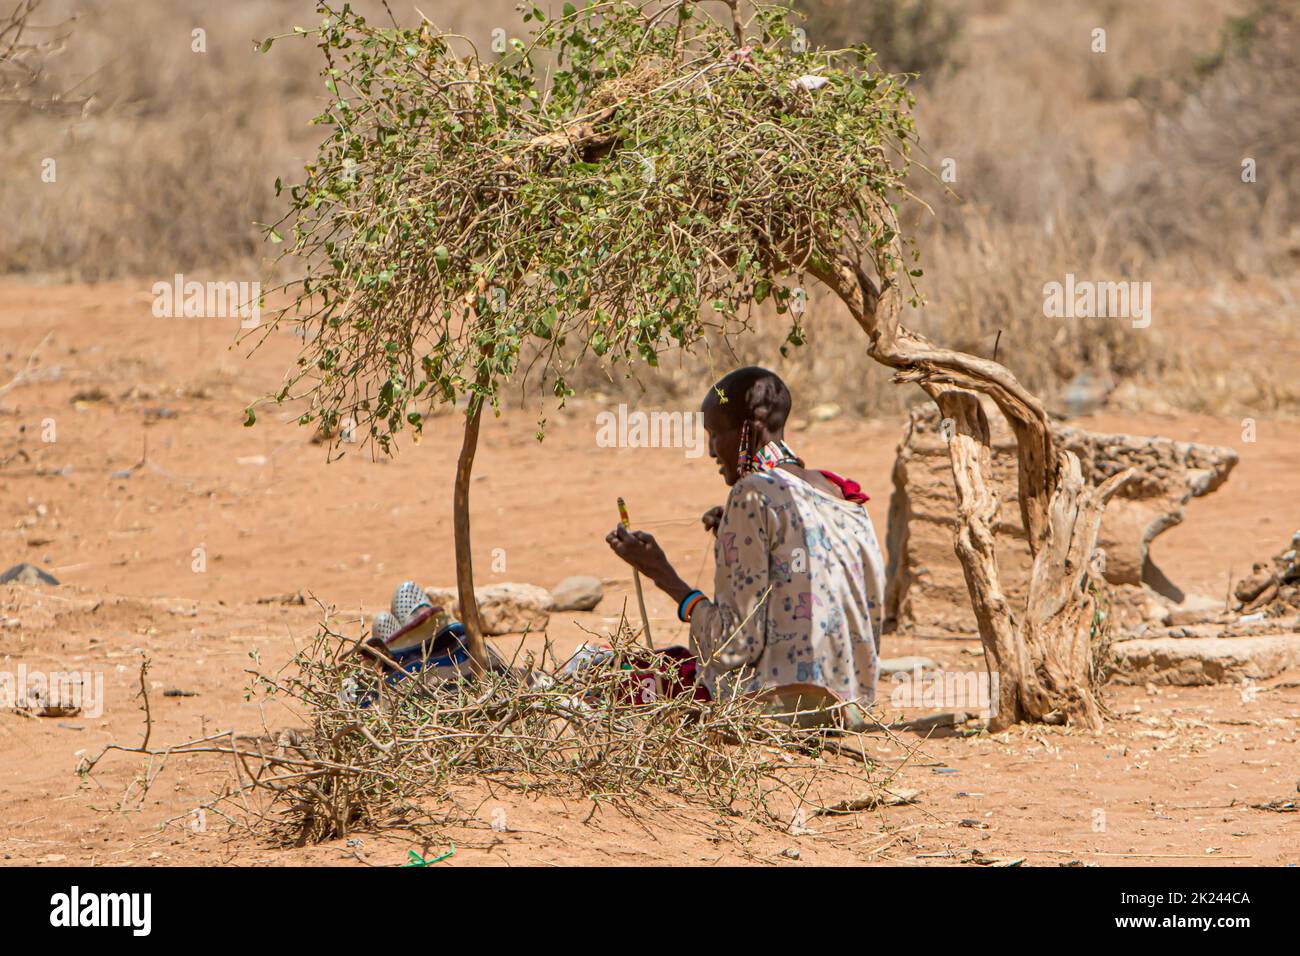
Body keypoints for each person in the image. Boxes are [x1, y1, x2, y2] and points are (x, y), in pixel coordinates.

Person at [606, 367, 885, 728]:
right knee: (671, 662)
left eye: (715, 434)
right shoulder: (835, 493)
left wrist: (662, 574)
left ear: (747, 433)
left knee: (618, 677)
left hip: (782, 710)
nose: (709, 450)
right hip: (849, 711)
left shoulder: (751, 494)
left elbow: (732, 647)